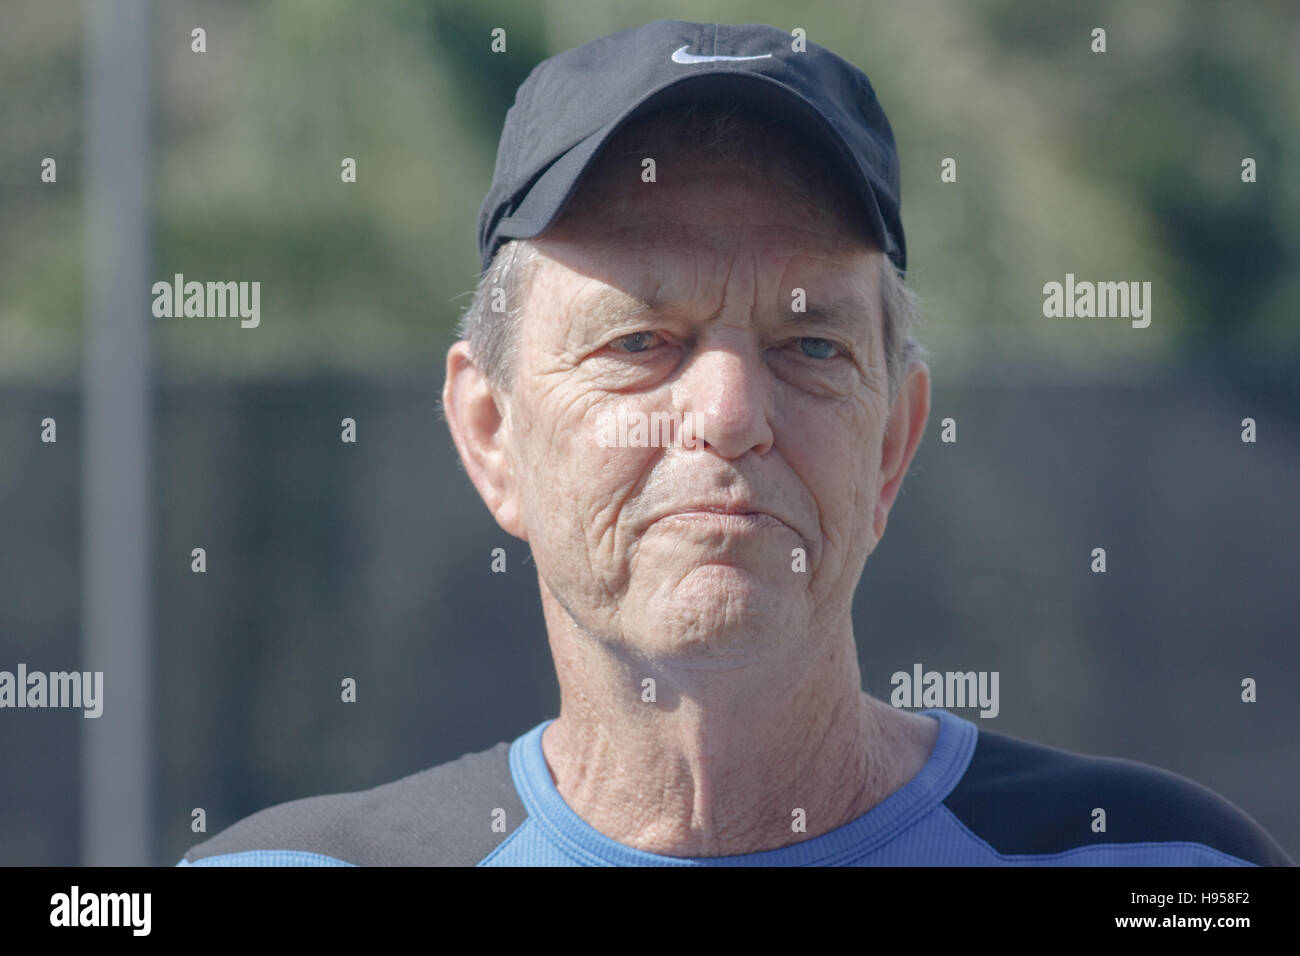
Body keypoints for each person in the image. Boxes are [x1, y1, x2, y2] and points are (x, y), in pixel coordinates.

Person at [179, 19, 1292, 867]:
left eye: (809, 344)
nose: (727, 413)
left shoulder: (1162, 867)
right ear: (490, 431)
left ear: (893, 442)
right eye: (637, 339)